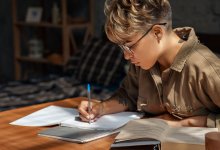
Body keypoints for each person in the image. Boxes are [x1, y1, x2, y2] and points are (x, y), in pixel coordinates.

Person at [78, 0, 220, 128]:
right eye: (122, 48)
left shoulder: (204, 68)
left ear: (157, 33)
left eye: (129, 46)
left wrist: (185, 123)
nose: (126, 56)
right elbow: (128, 96)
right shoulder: (142, 62)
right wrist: (100, 108)